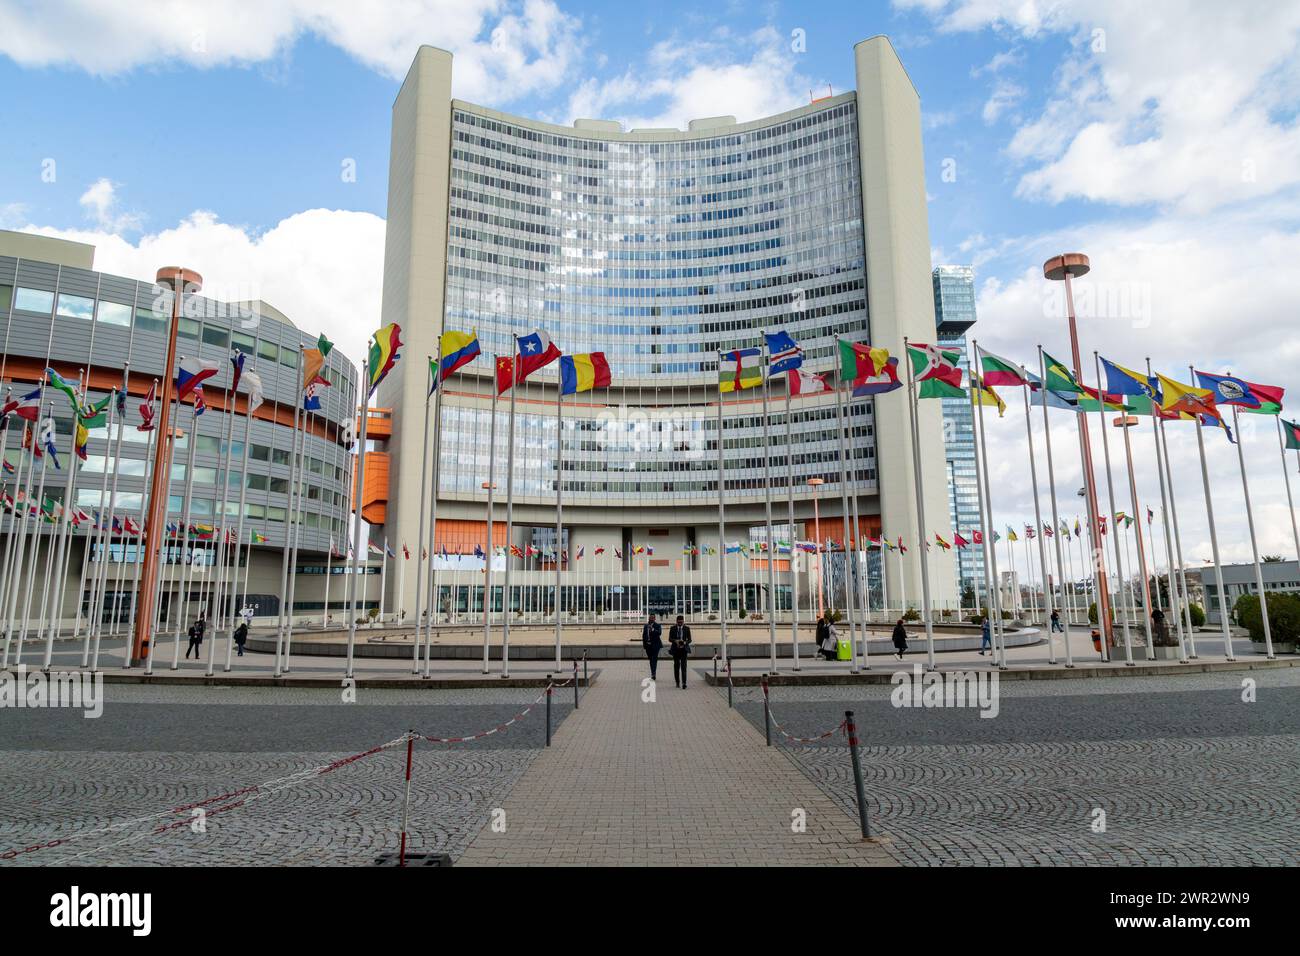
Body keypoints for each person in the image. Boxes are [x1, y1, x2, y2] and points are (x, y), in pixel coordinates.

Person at [668, 614, 692, 689]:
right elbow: (670, 639)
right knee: (676, 666)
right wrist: (675, 641)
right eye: (679, 622)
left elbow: (690, 639)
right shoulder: (672, 628)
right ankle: (677, 682)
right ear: (676, 621)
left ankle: (684, 683)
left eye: (681, 622)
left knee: (684, 667)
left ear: (683, 621)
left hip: (684, 650)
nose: (680, 624)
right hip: (675, 650)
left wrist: (685, 642)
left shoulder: (687, 628)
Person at [641, 612, 663, 681]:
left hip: (656, 645)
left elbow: (659, 633)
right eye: (650, 618)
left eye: (653, 618)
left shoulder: (658, 625)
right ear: (649, 618)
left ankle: (653, 674)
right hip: (648, 646)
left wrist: (653, 629)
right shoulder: (645, 626)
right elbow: (644, 636)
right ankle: (653, 672)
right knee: (651, 660)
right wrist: (644, 645)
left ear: (655, 619)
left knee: (654, 659)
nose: (652, 619)